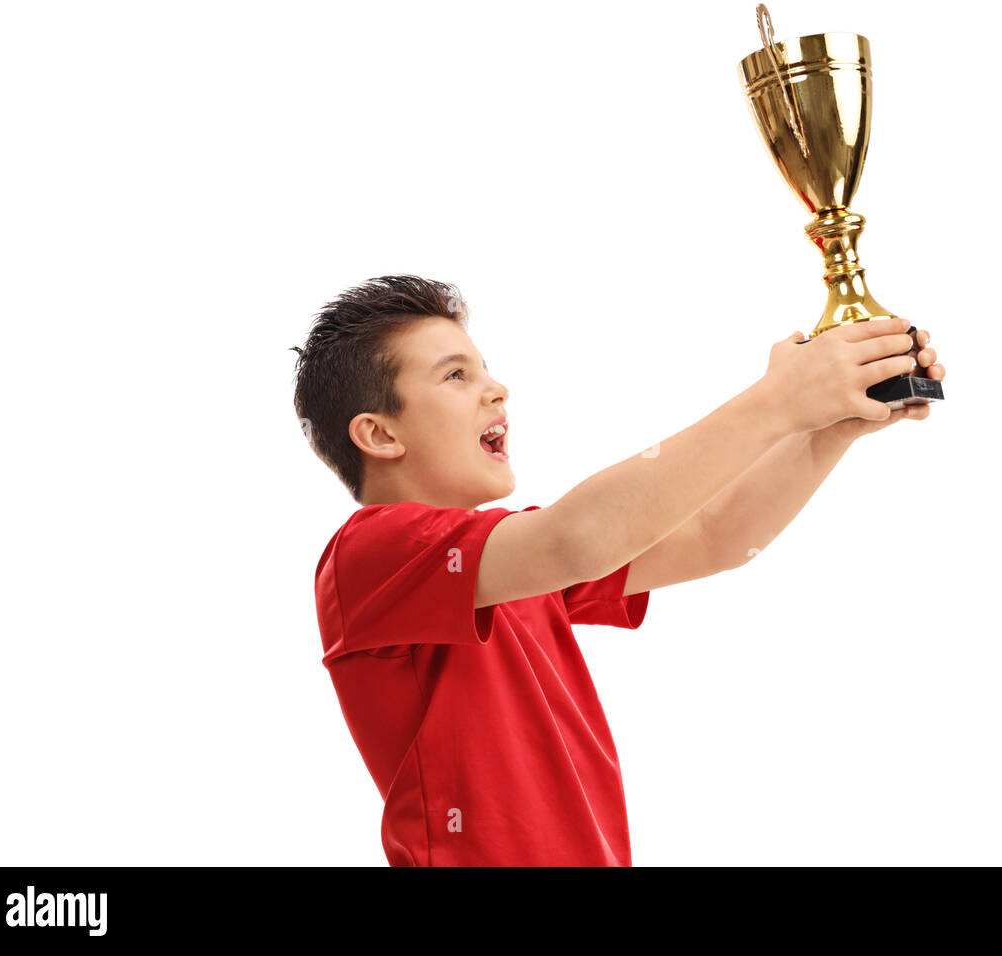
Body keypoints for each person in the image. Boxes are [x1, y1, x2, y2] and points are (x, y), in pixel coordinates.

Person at [290, 274, 946, 866]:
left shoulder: (510, 567)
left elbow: (718, 537)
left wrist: (828, 427)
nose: (497, 388)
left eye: (485, 368)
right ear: (378, 435)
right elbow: (581, 537)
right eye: (456, 376)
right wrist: (777, 402)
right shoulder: (370, 554)